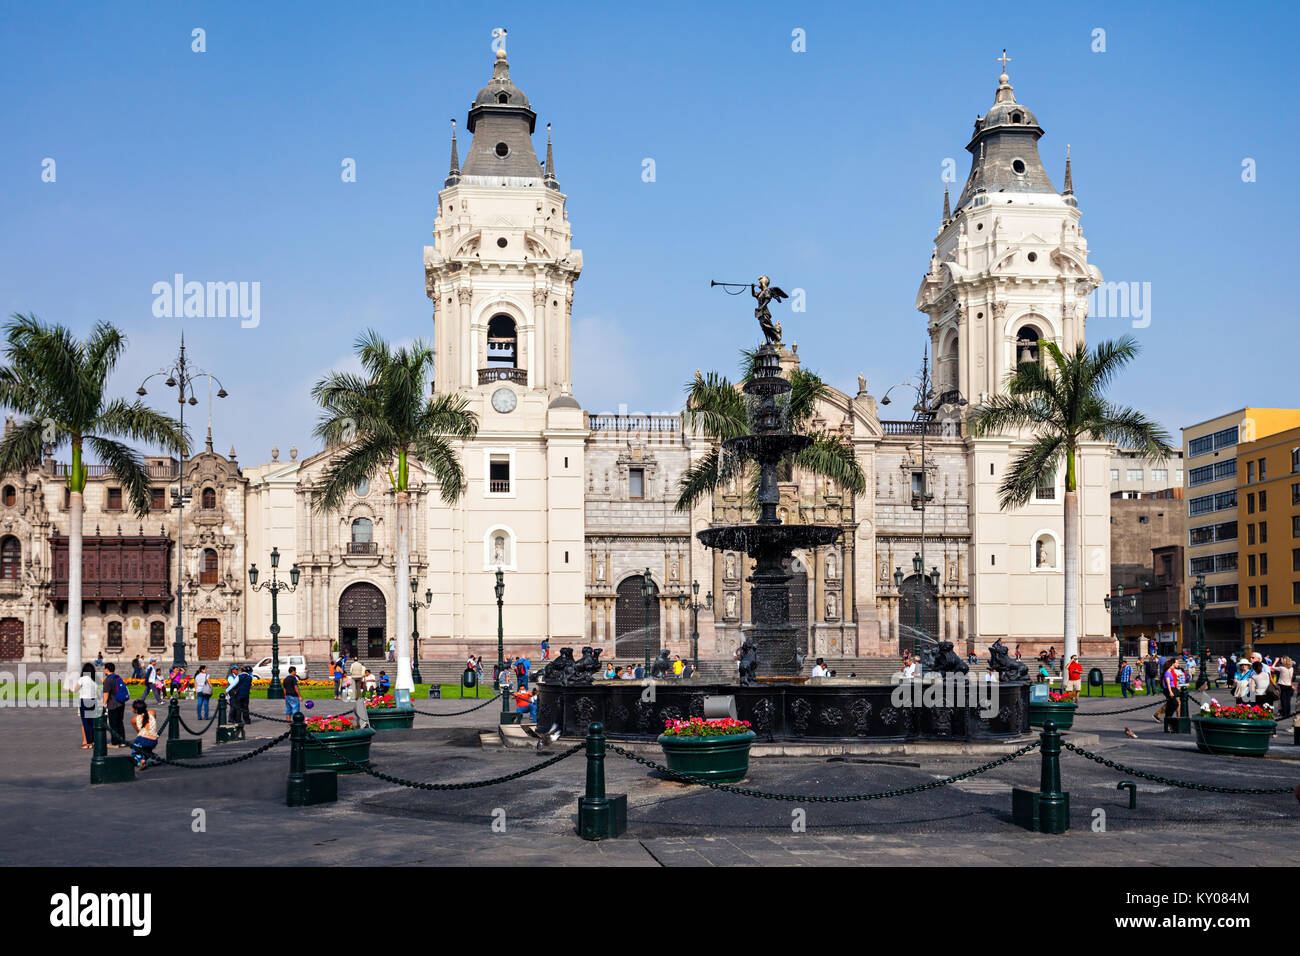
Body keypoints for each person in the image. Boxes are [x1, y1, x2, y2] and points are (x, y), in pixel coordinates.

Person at [102, 662, 128, 746]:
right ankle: (122, 741)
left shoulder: (108, 679)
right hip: (121, 703)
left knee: (113, 724)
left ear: (106, 669)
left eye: (104, 669)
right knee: (120, 722)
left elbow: (106, 693)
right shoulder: (117, 677)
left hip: (113, 704)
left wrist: (103, 704)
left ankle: (115, 743)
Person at [129, 699, 160, 770]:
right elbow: (153, 720)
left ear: (136, 710)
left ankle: (139, 762)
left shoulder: (134, 720)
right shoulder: (152, 712)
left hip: (142, 739)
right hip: (154, 740)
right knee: (146, 750)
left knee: (135, 752)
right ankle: (145, 759)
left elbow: (138, 732)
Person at [76, 663, 97, 749]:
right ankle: (92, 741)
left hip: (84, 701)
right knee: (92, 722)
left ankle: (88, 743)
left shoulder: (82, 679)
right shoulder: (93, 681)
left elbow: (75, 689)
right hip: (93, 701)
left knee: (85, 722)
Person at [1154, 658, 1179, 728]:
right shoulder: (1167, 673)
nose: (1175, 665)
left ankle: (1168, 719)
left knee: (1170, 705)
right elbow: (1167, 683)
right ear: (1170, 665)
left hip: (1172, 689)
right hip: (1168, 690)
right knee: (1175, 704)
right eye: (1173, 664)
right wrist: (1170, 691)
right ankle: (1168, 718)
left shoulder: (1170, 672)